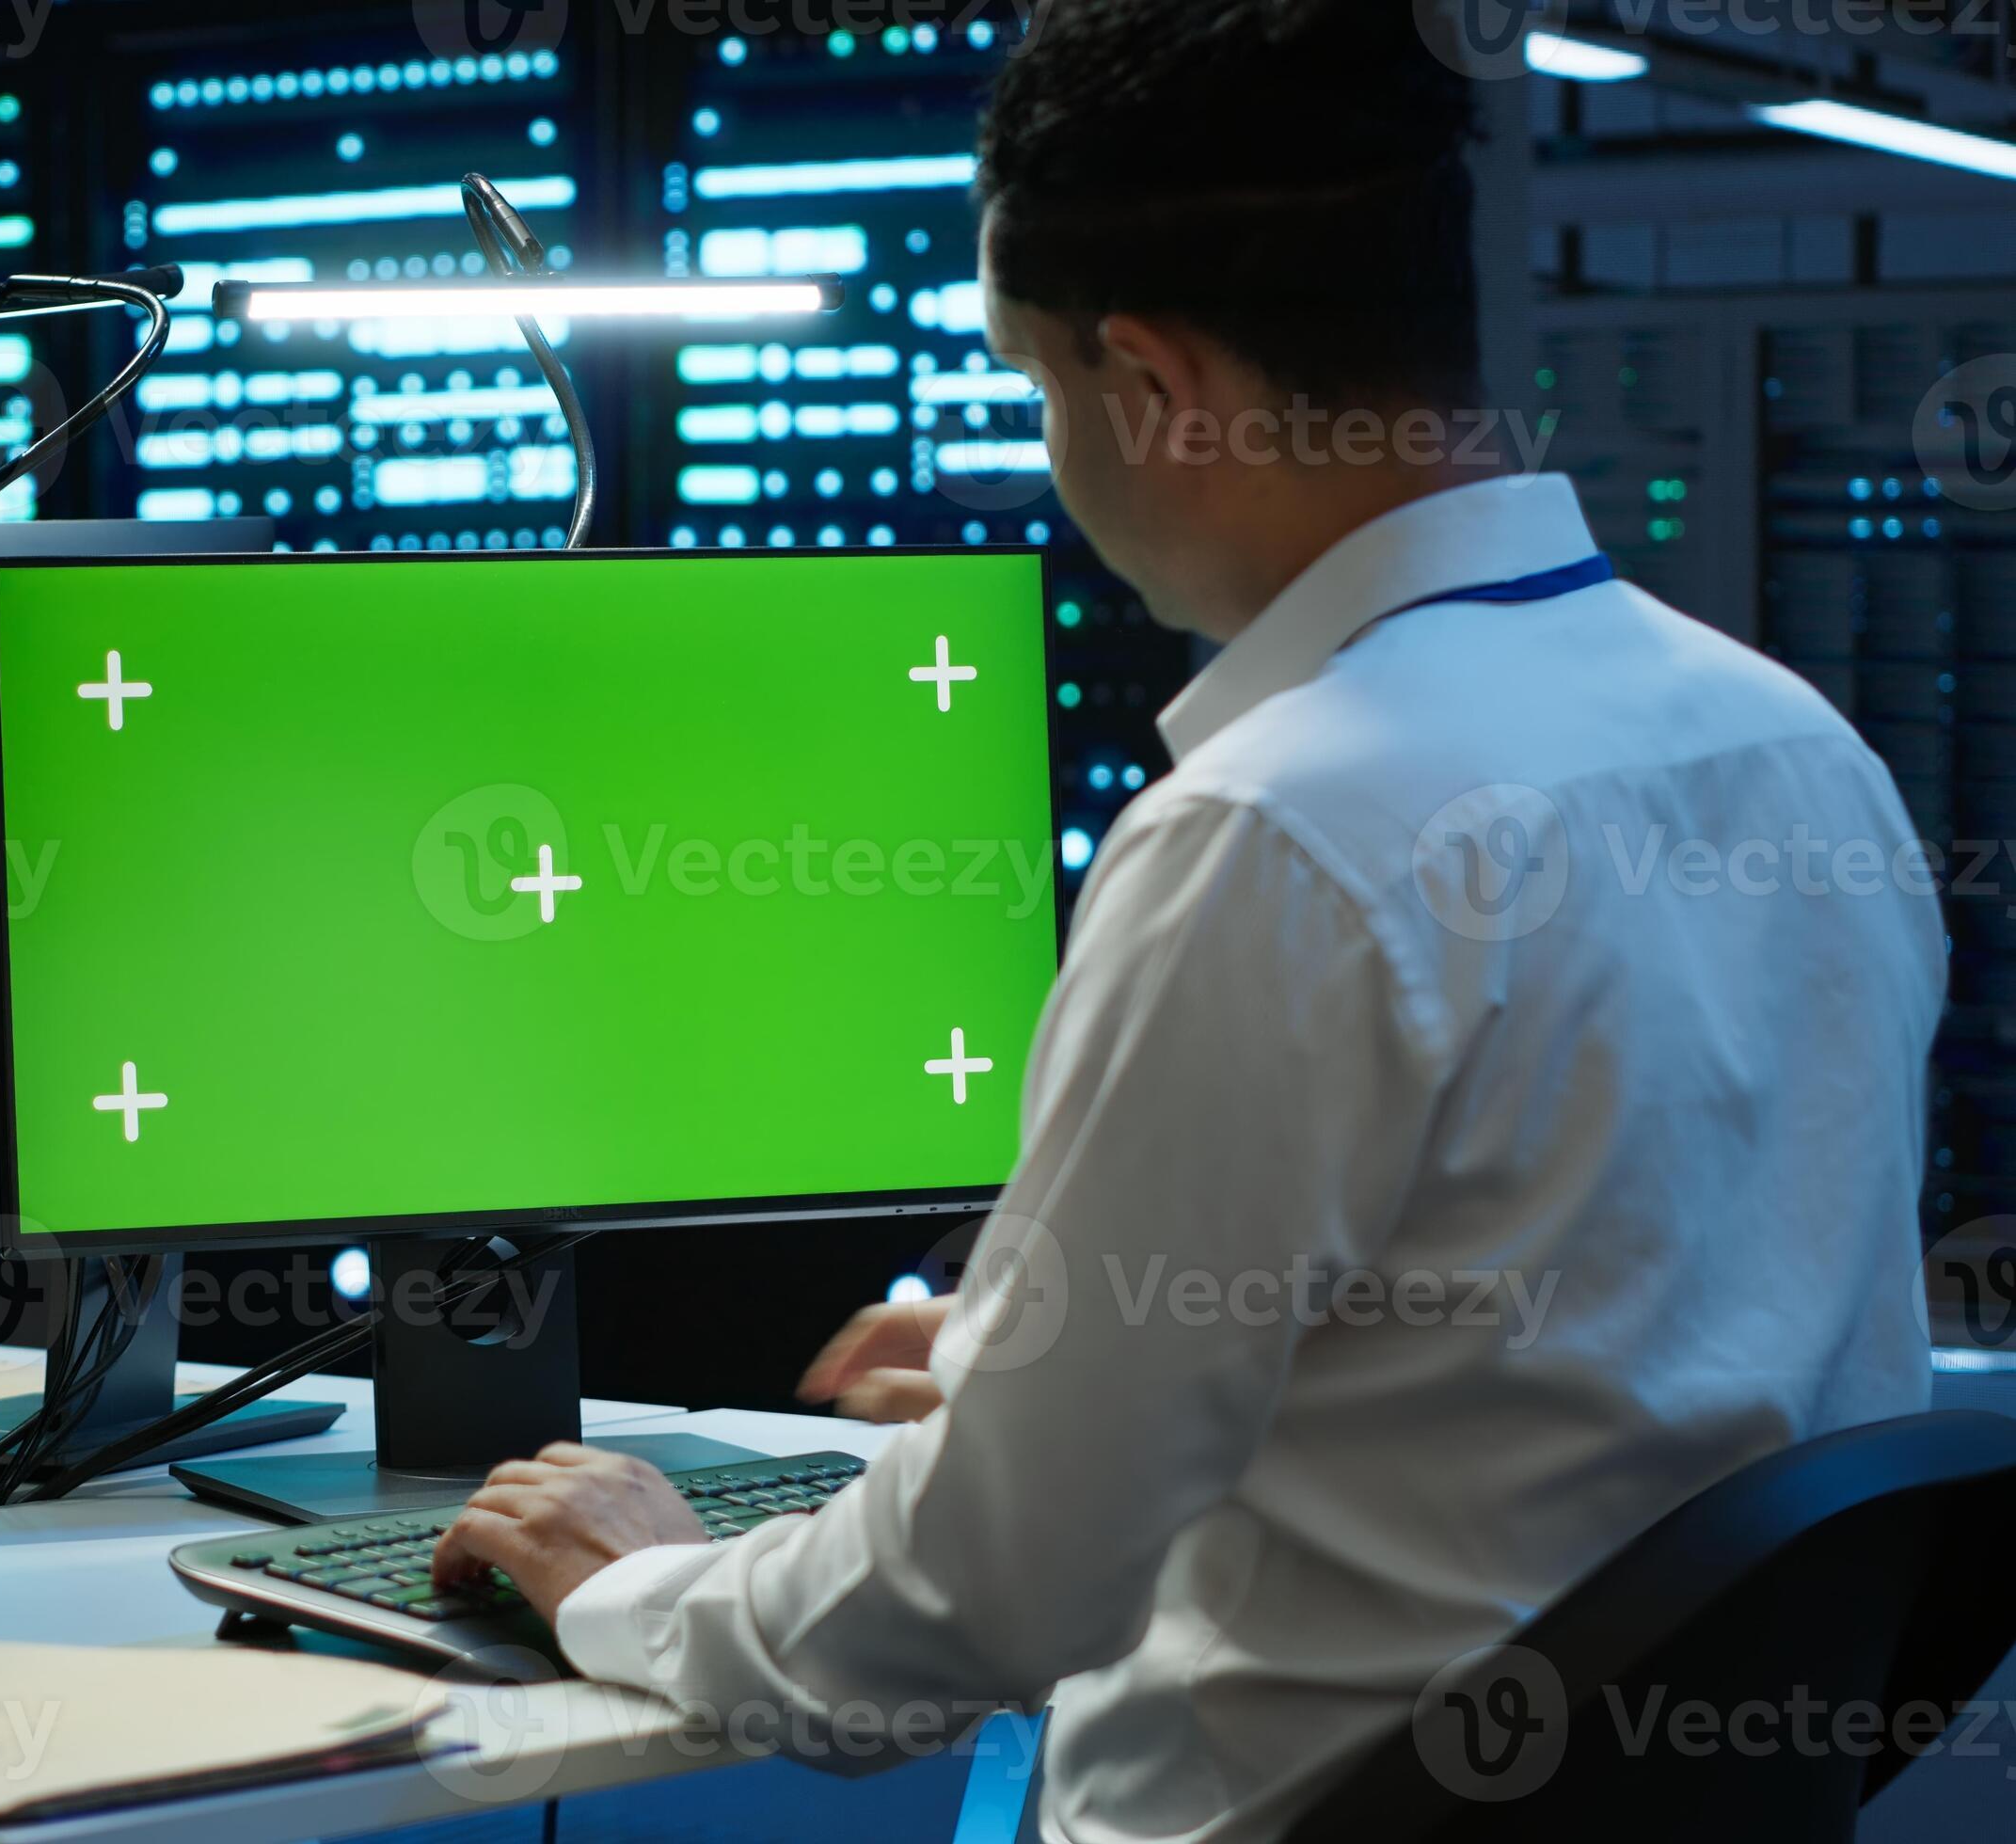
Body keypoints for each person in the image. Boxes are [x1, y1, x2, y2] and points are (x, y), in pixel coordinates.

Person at [429, 6, 1940, 1839]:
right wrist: (1045, 1368)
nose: (1055, 458)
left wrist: (625, 1577)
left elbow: (967, 1610)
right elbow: (1587, 1363)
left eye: (1037, 387)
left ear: (1145, 387)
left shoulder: (1276, 829)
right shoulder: (1789, 750)